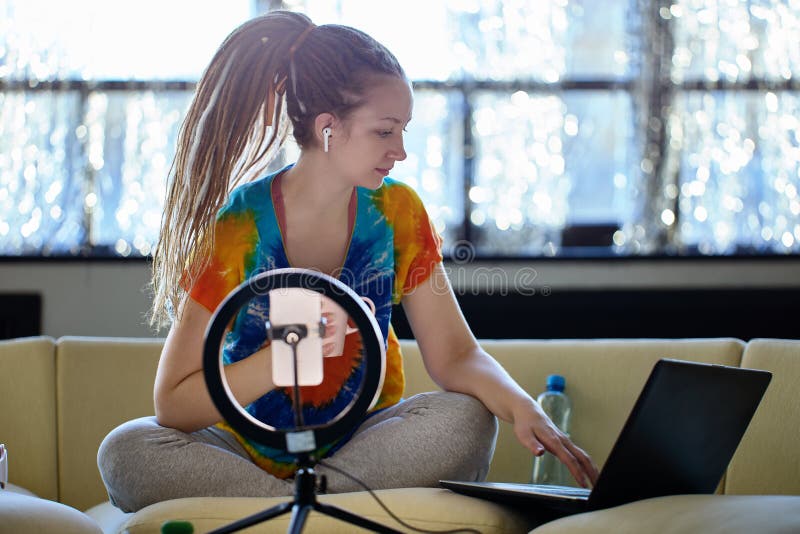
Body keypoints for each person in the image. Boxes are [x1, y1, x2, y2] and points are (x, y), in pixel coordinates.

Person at [98, 10, 598, 513]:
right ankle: (311, 504)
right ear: (328, 128)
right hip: (245, 451)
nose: (400, 150)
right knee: (126, 450)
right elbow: (174, 403)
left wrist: (521, 407)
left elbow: (455, 357)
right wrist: (284, 359)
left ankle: (287, 508)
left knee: (468, 419)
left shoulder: (399, 212)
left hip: (363, 444)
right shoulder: (239, 226)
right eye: (384, 132)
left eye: (403, 130)